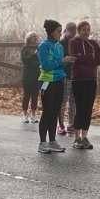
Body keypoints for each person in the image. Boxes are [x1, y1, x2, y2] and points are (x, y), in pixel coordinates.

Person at [37, 19, 75, 154]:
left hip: (60, 80)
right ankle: (42, 142)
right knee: (47, 111)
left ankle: (52, 141)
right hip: (47, 81)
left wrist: (68, 62)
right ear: (51, 32)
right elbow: (46, 65)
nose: (60, 34)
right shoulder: (43, 46)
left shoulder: (59, 46)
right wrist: (62, 60)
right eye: (58, 31)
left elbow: (60, 63)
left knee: (55, 112)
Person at [68, 20, 100, 149]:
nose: (86, 32)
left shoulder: (93, 43)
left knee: (88, 109)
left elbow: (99, 59)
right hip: (78, 80)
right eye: (83, 30)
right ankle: (77, 138)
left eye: (88, 30)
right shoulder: (73, 42)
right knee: (80, 108)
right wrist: (89, 57)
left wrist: (83, 57)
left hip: (91, 80)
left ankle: (84, 137)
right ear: (79, 31)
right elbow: (74, 58)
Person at [58, 21, 78, 136]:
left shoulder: (76, 42)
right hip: (64, 75)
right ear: (65, 31)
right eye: (70, 32)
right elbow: (58, 60)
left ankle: (71, 123)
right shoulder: (60, 44)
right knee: (63, 100)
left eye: (73, 33)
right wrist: (66, 62)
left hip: (75, 75)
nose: (71, 35)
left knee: (73, 101)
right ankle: (60, 125)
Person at [20, 31, 40, 123]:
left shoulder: (39, 47)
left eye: (36, 36)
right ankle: (24, 115)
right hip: (27, 75)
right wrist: (34, 54)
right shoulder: (25, 48)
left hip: (37, 75)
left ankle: (33, 115)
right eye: (33, 36)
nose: (35, 38)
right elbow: (25, 60)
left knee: (35, 95)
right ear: (29, 39)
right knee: (27, 95)